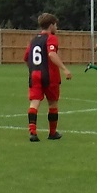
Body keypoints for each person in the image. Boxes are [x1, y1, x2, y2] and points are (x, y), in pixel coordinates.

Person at [25, 13, 71, 141]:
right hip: (49, 75)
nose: (56, 27)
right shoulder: (51, 38)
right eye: (55, 25)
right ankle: (52, 133)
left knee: (34, 102)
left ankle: (33, 132)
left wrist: (33, 69)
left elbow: (26, 57)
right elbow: (51, 54)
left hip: (34, 74)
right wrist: (64, 69)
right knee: (53, 103)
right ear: (51, 25)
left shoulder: (34, 40)